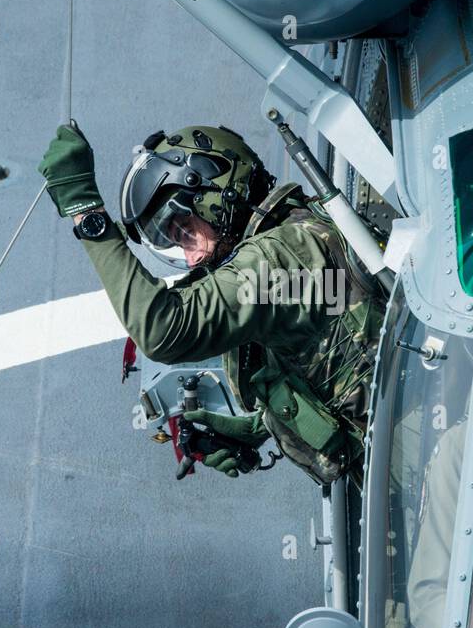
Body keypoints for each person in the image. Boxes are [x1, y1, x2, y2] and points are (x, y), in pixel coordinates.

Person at [39, 119, 388, 485]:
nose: (191, 259)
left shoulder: (280, 256)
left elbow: (161, 330)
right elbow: (340, 361)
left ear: (215, 192)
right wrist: (260, 426)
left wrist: (86, 212)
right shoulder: (297, 236)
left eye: (185, 231)